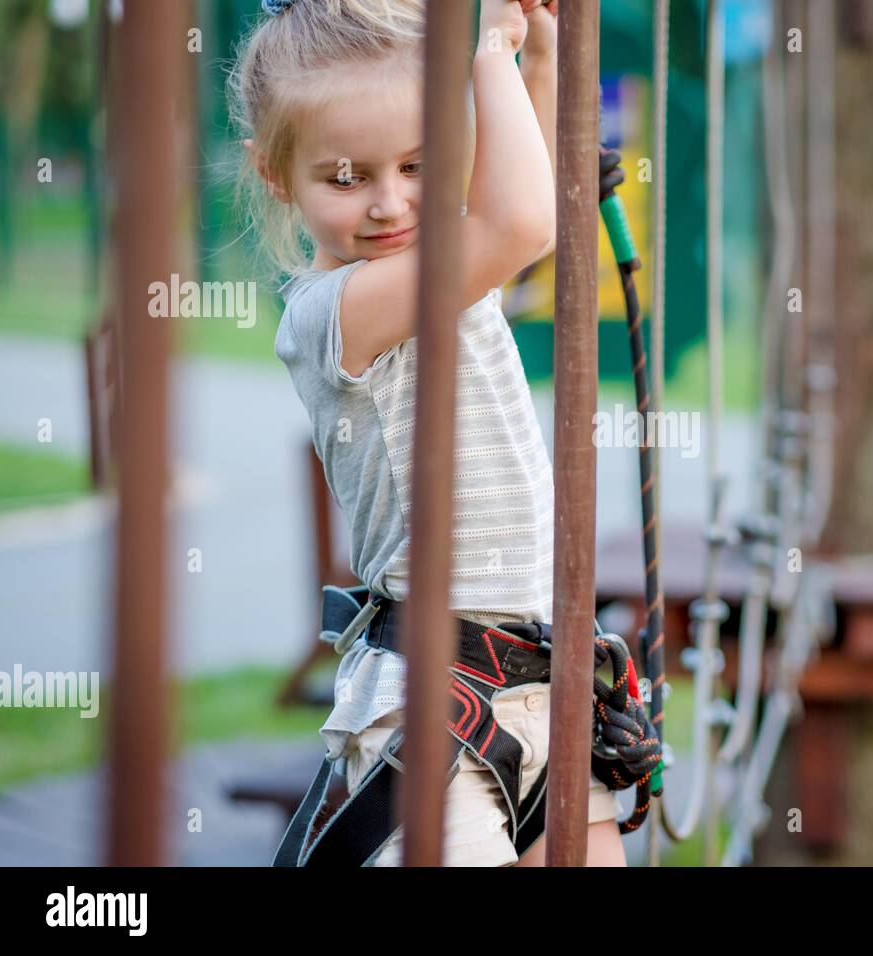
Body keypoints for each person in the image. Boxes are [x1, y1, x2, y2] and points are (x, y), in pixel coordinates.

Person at [230, 0, 630, 866]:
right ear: (276, 175)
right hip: (432, 700)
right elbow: (520, 223)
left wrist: (538, 51)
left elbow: (541, 198)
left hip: (540, 681)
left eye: (420, 164)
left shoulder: (446, 262)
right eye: (346, 178)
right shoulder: (334, 313)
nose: (390, 203)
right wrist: (482, 45)